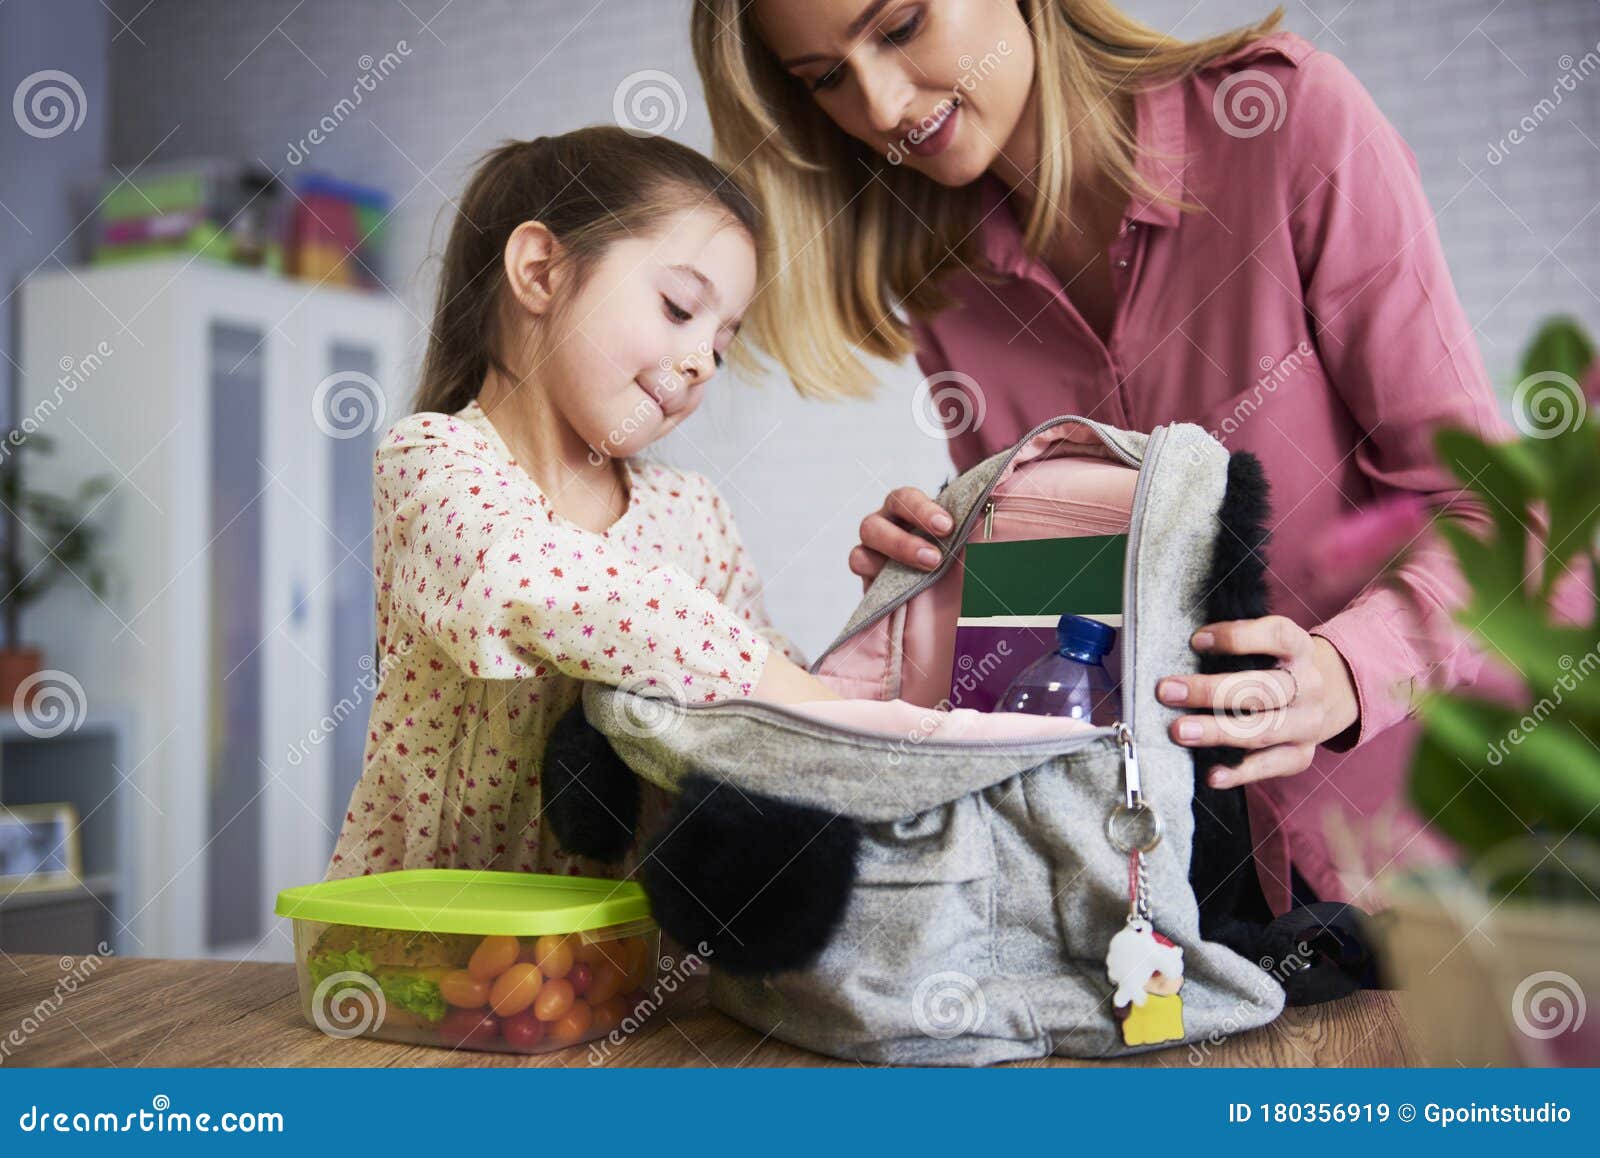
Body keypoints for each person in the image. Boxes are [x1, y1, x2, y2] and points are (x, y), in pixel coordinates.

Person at [691, 0, 1547, 912]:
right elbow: (1076, 629)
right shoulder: (941, 273)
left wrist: (1343, 673)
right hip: (1171, 884)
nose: (882, 103)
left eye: (900, 26)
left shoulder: (1285, 121)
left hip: (1431, 859)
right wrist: (945, 591)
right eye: (826, 78)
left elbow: (1498, 514)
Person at [327, 126, 835, 881]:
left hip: (624, 962)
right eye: (677, 306)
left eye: (724, 342)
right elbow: (524, 582)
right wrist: (776, 682)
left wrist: (871, 657)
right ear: (540, 272)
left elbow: (767, 704)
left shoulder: (694, 514)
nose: (701, 362)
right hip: (436, 955)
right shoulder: (433, 462)